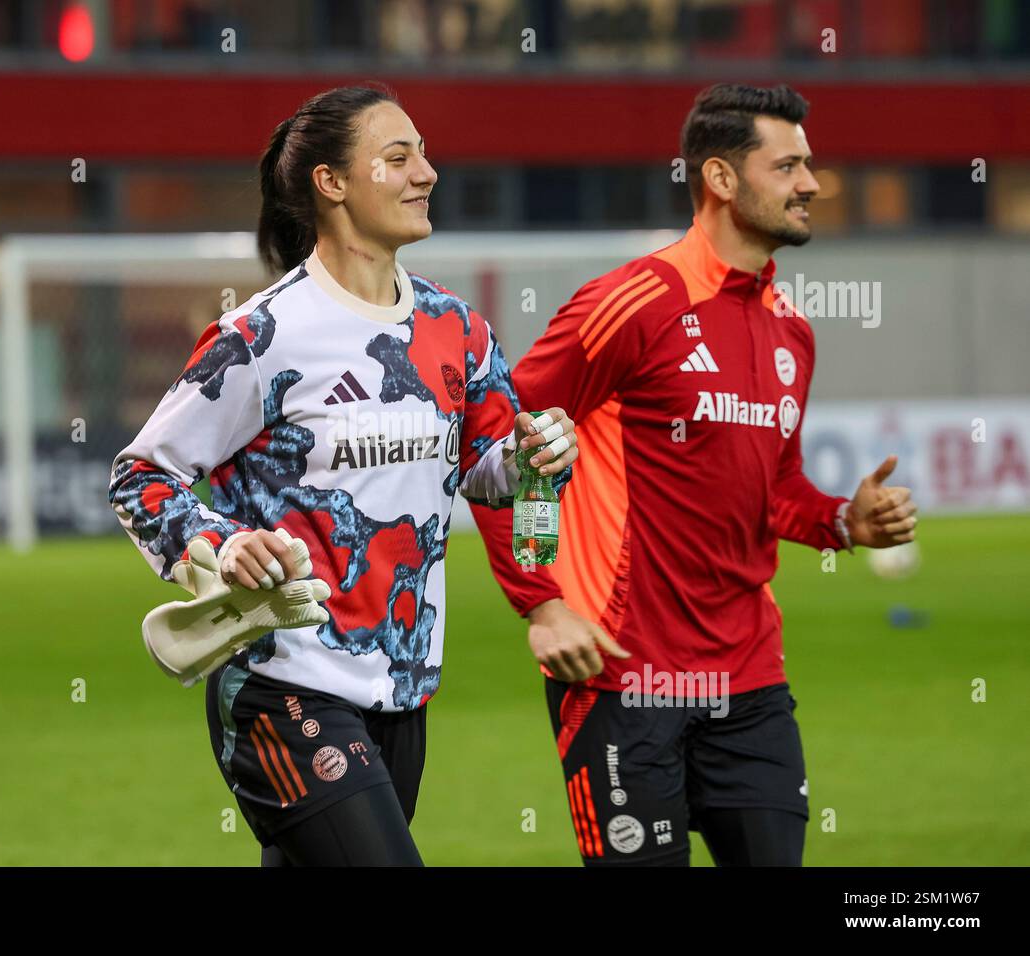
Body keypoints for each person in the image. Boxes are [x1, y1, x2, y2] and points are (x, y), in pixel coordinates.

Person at [109, 84, 579, 866]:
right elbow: (139, 477)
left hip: (403, 690)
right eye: (398, 158)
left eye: (423, 154)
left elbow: (486, 473)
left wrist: (538, 460)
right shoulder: (263, 335)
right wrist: (223, 546)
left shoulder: (458, 330)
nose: (426, 172)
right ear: (331, 183)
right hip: (282, 681)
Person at [474, 83, 918, 866]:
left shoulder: (792, 329)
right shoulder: (632, 303)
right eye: (788, 167)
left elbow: (775, 489)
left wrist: (846, 522)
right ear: (720, 178)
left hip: (749, 680)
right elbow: (500, 447)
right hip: (621, 678)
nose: (811, 184)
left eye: (808, 166)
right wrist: (541, 603)